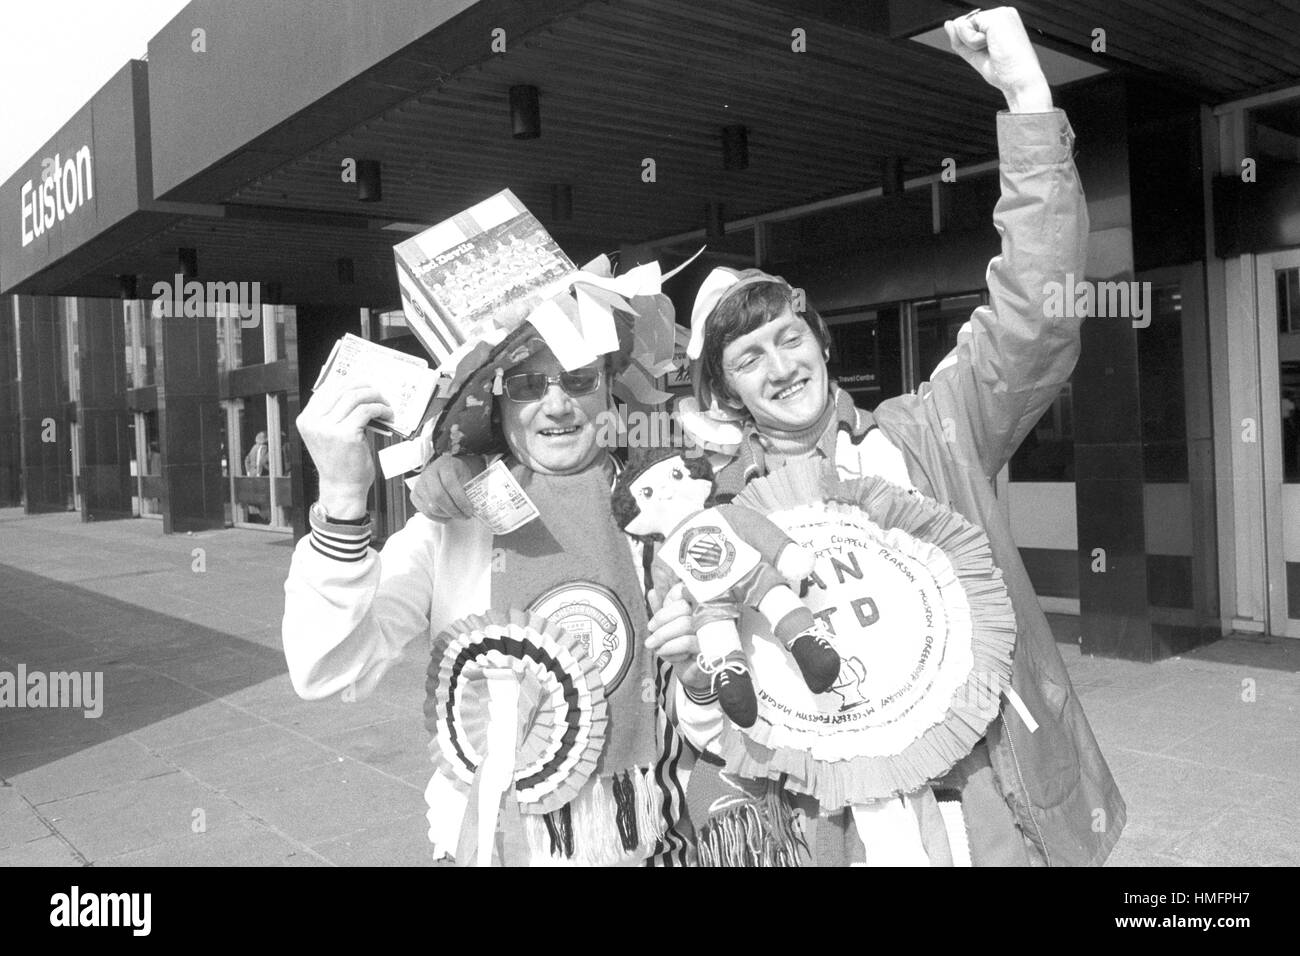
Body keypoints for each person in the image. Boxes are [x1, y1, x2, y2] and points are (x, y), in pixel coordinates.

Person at [650, 6, 1126, 865]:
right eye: (749, 358)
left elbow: (1034, 316)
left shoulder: (931, 433)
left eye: (790, 338)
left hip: (984, 813)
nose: (781, 366)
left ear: (823, 344)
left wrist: (1024, 96)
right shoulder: (710, 518)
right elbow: (714, 723)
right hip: (831, 835)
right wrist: (693, 676)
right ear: (726, 391)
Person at [282, 334, 698, 866]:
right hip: (488, 849)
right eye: (526, 385)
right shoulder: (451, 527)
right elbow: (326, 668)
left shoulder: (668, 511)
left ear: (610, 388)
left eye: (579, 379)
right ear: (497, 406)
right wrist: (341, 496)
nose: (556, 403)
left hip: (645, 841)